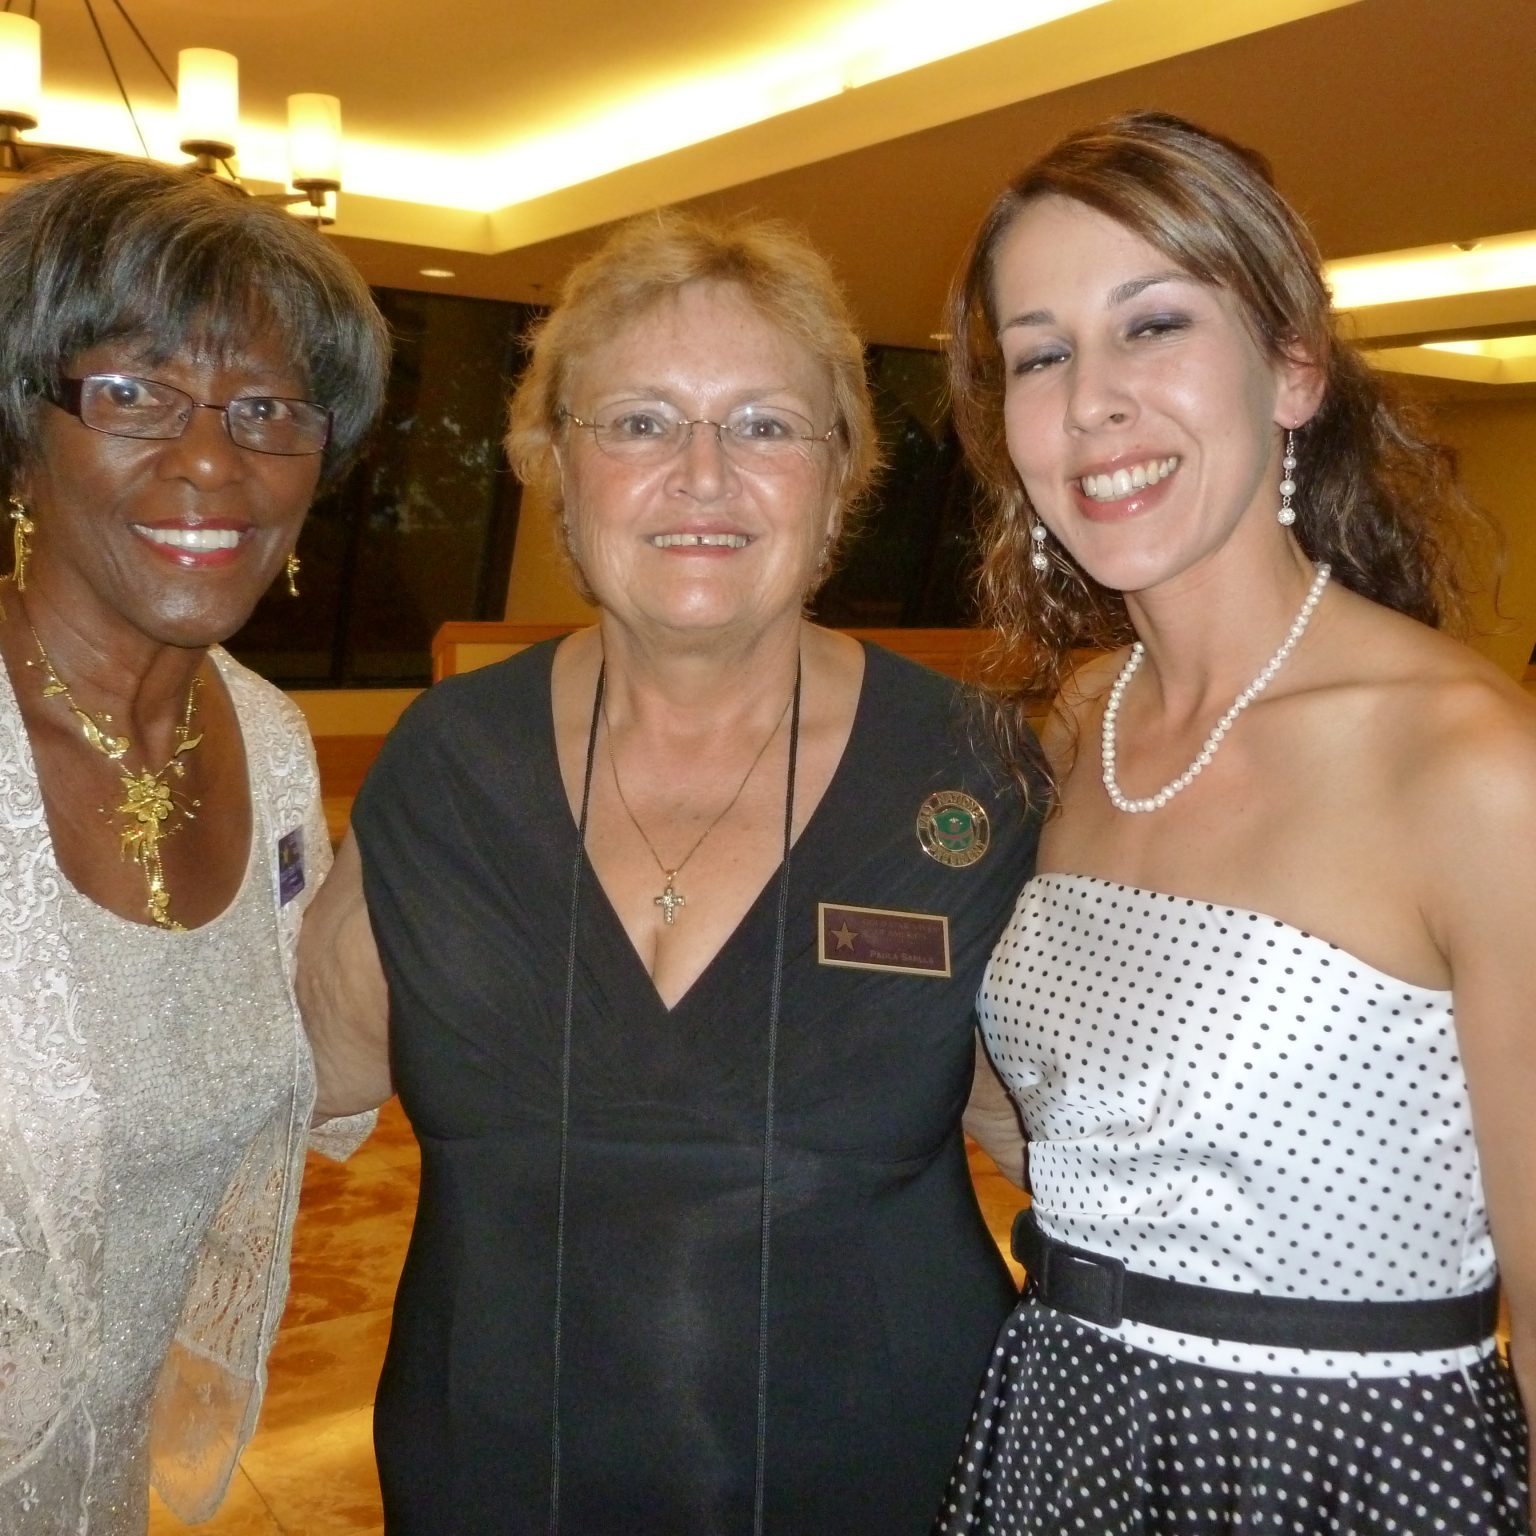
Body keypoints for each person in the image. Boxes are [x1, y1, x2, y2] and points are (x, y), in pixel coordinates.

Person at [298, 209, 1042, 1535]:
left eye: (763, 425)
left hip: (893, 1476)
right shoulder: (446, 766)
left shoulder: (980, 770)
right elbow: (302, 1075)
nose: (703, 476)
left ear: (842, 474)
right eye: (639, 422)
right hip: (496, 1477)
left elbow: (1066, 1145)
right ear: (554, 466)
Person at [932, 111, 1535, 1533]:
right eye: (1039, 353)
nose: (1091, 403)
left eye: (1152, 326)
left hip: (1343, 1467)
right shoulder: (1084, 722)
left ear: (1293, 370)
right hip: (1056, 1434)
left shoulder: (1470, 767)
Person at [0, 158, 389, 1534]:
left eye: (268, 409)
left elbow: (319, 1070)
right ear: (24, 424)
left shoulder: (275, 748)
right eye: (135, 393)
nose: (212, 460)